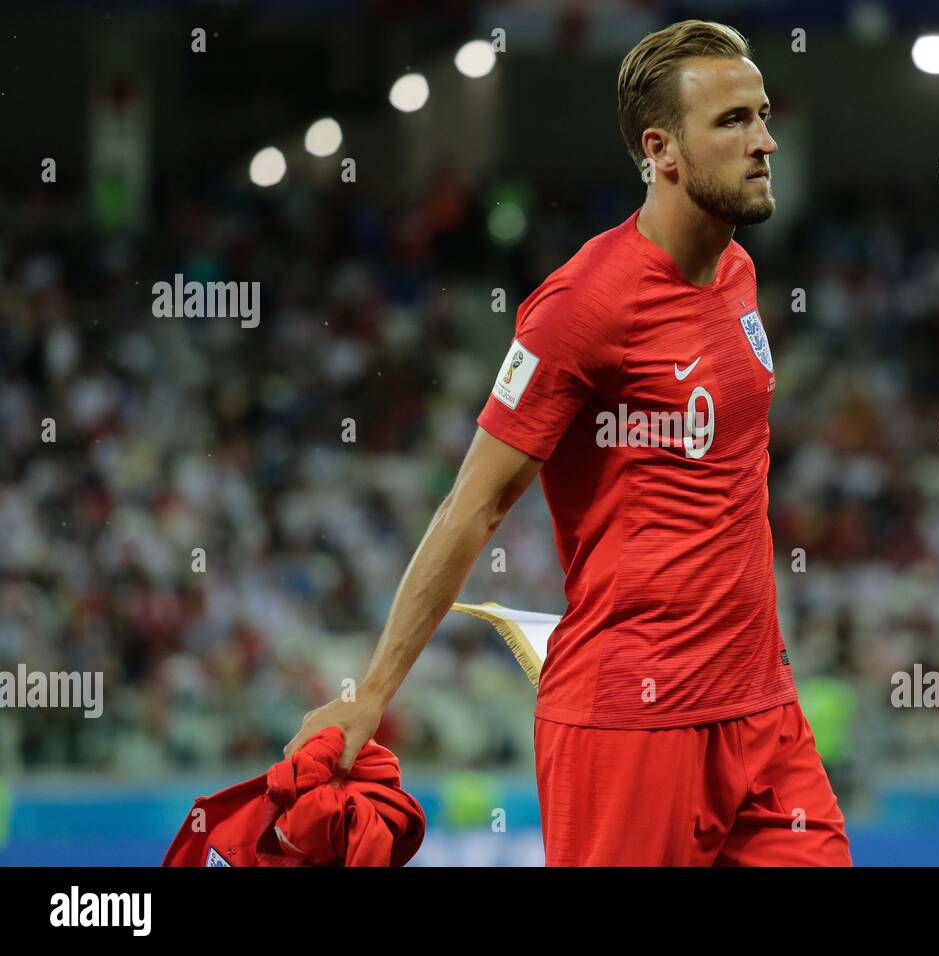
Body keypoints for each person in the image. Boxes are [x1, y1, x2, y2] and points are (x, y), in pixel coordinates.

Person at [287, 18, 852, 866]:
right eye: (733, 122)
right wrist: (369, 696)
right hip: (632, 724)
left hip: (763, 717)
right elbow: (472, 506)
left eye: (763, 115)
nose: (765, 141)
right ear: (660, 150)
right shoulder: (584, 305)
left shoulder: (736, 273)